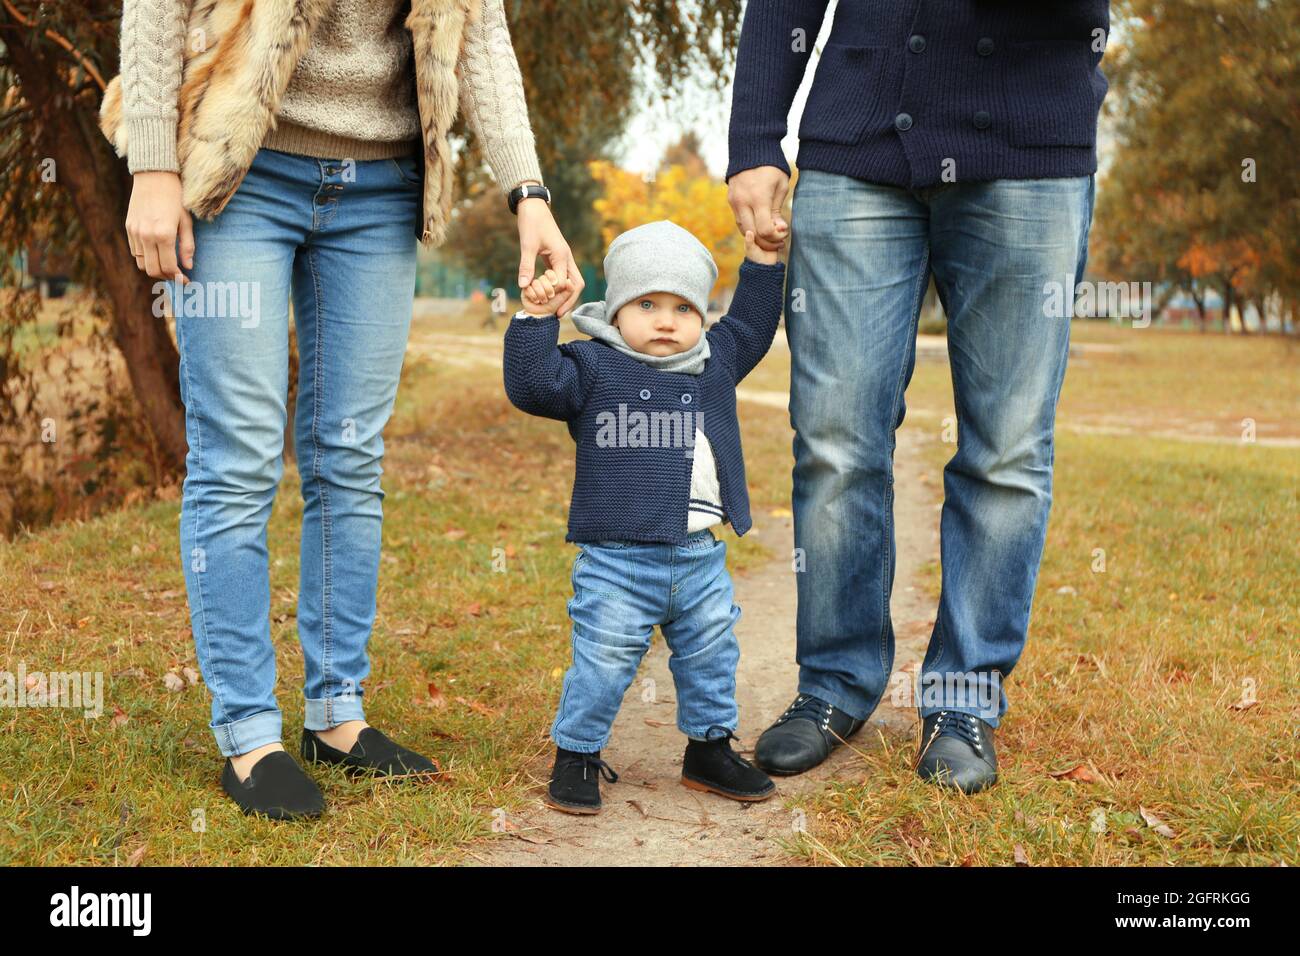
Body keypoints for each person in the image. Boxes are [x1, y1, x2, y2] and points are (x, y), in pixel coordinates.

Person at [101, 0, 582, 819]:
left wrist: (527, 190)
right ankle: (251, 736)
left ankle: (336, 718)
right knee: (240, 456)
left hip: (382, 186)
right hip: (240, 165)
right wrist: (153, 162)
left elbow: (483, 28)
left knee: (349, 456)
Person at [725, 0, 1109, 793]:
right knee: (835, 438)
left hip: (1030, 150)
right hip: (855, 144)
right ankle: (833, 683)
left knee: (1006, 450)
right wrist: (756, 135)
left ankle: (965, 698)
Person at [501, 220, 788, 814]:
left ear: (702, 316)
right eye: (648, 303)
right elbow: (532, 386)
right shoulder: (592, 366)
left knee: (713, 654)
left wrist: (762, 259)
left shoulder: (716, 359)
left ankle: (709, 750)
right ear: (617, 309)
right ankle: (576, 754)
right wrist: (536, 321)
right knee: (602, 660)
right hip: (616, 562)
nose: (666, 320)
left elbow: (755, 325)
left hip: (699, 558)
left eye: (684, 307)